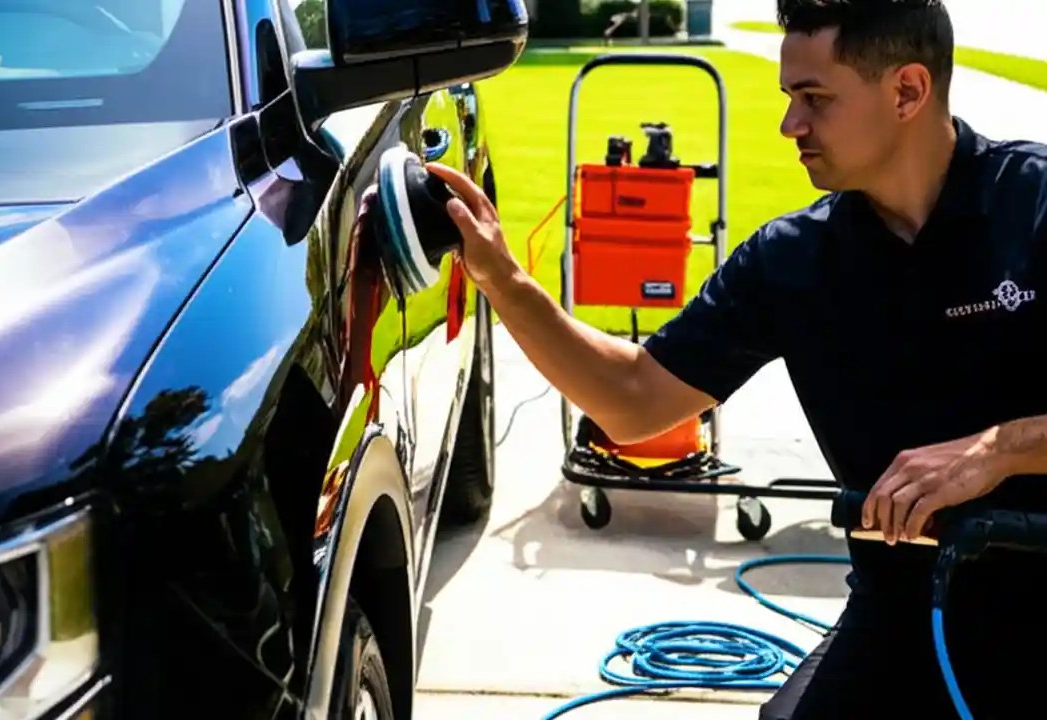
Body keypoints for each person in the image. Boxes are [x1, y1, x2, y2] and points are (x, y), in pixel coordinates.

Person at [427, 0, 1047, 717]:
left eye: (815, 99)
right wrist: (506, 282)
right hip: (904, 611)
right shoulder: (793, 262)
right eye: (790, 98)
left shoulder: (1031, 202)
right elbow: (632, 400)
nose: (791, 125)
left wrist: (1001, 449)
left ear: (907, 91)